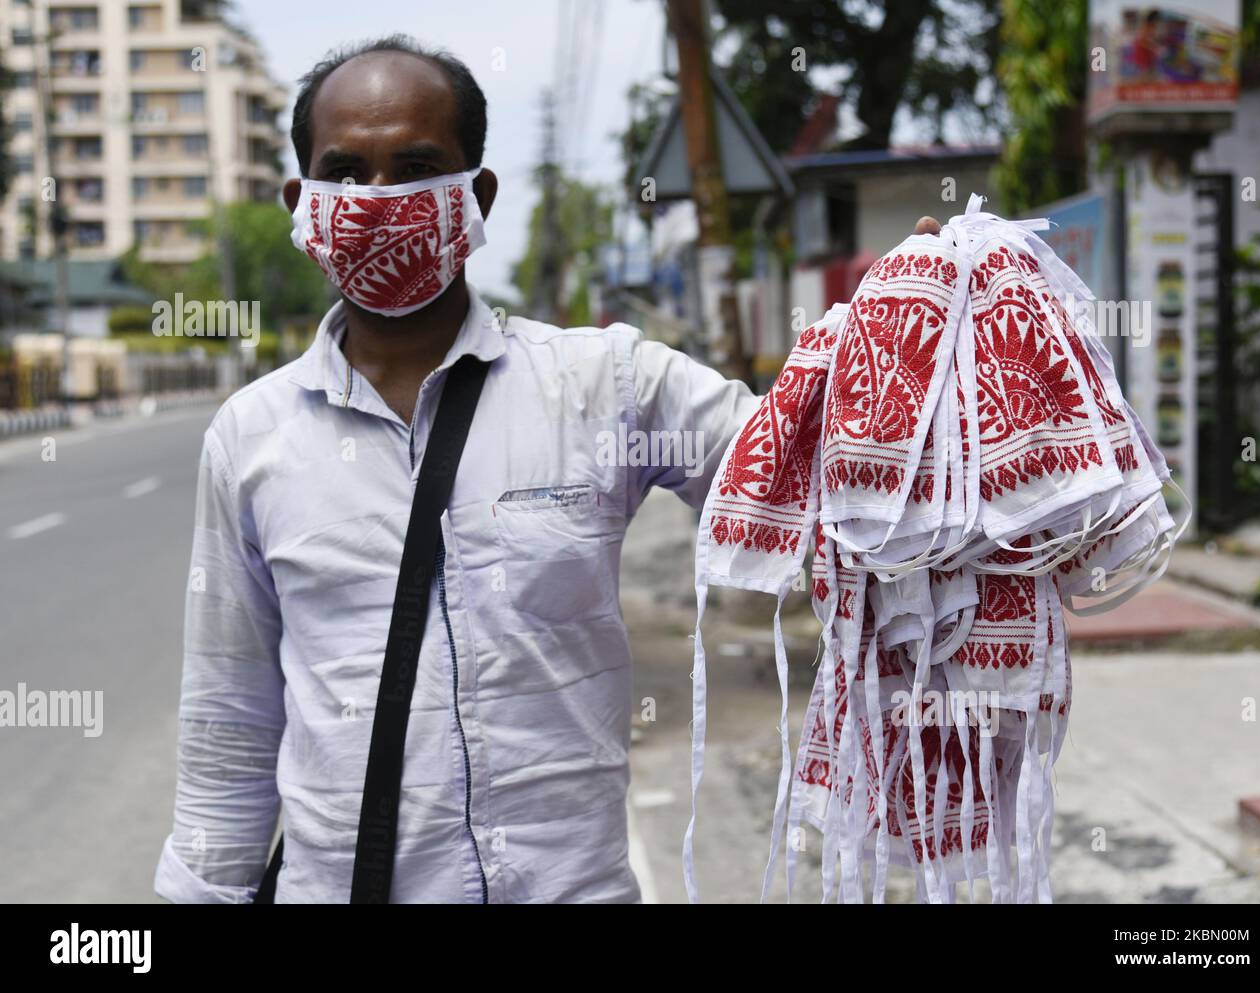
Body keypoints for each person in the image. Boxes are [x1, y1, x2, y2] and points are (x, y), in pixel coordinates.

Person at [154, 34, 941, 904]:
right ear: (302, 203)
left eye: (416, 165)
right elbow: (230, 724)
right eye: (346, 171)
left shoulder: (605, 385)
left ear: (476, 194)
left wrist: (915, 340)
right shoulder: (250, 437)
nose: (378, 199)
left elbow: (807, 467)